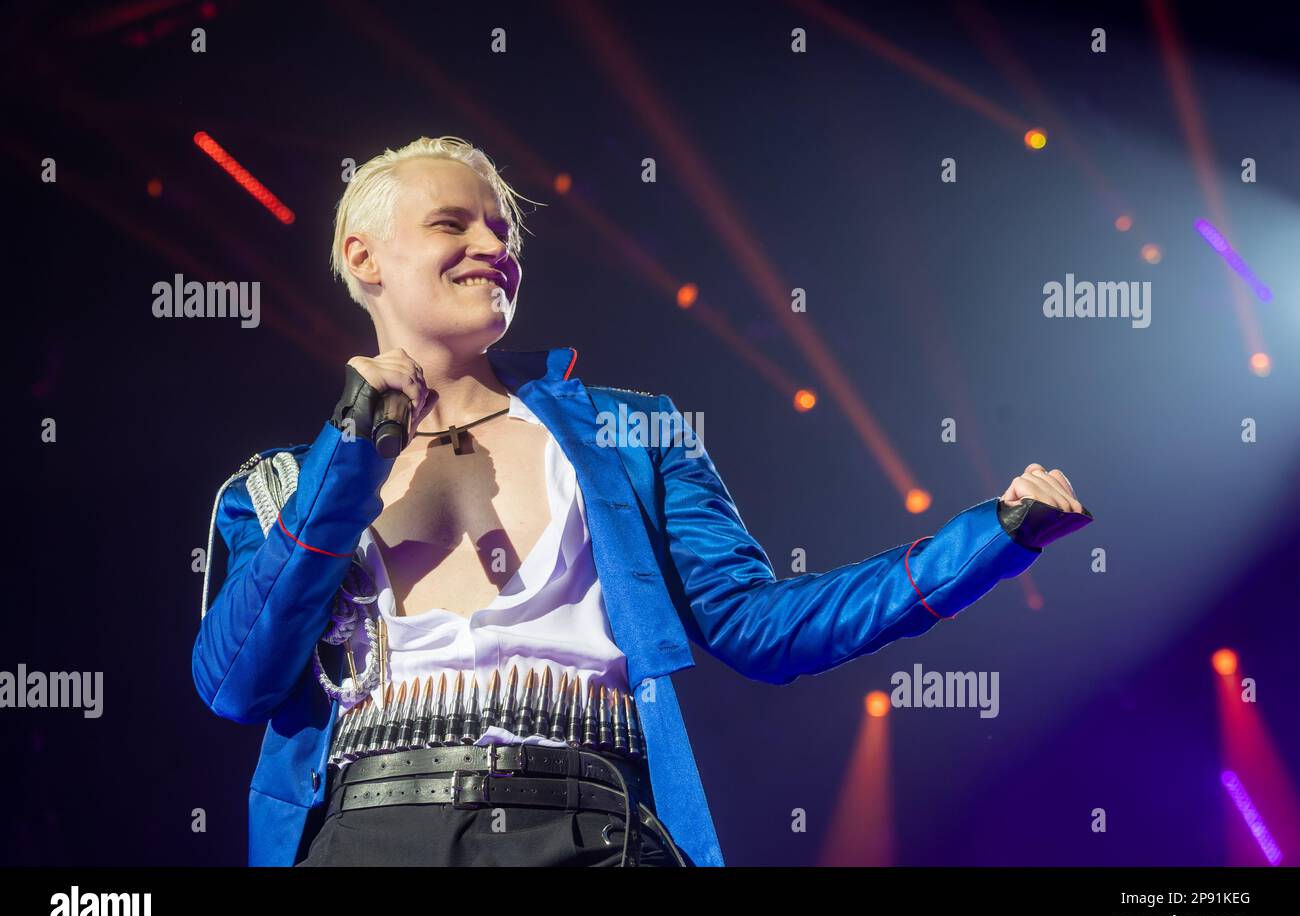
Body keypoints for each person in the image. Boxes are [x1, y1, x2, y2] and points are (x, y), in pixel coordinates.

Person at [192, 135, 1092, 868]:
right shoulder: (279, 485)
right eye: (452, 224)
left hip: (593, 831)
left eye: (504, 233)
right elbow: (237, 686)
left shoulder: (628, 434)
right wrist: (351, 458)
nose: (494, 249)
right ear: (364, 256)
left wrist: (989, 540)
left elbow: (761, 628)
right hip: (369, 838)